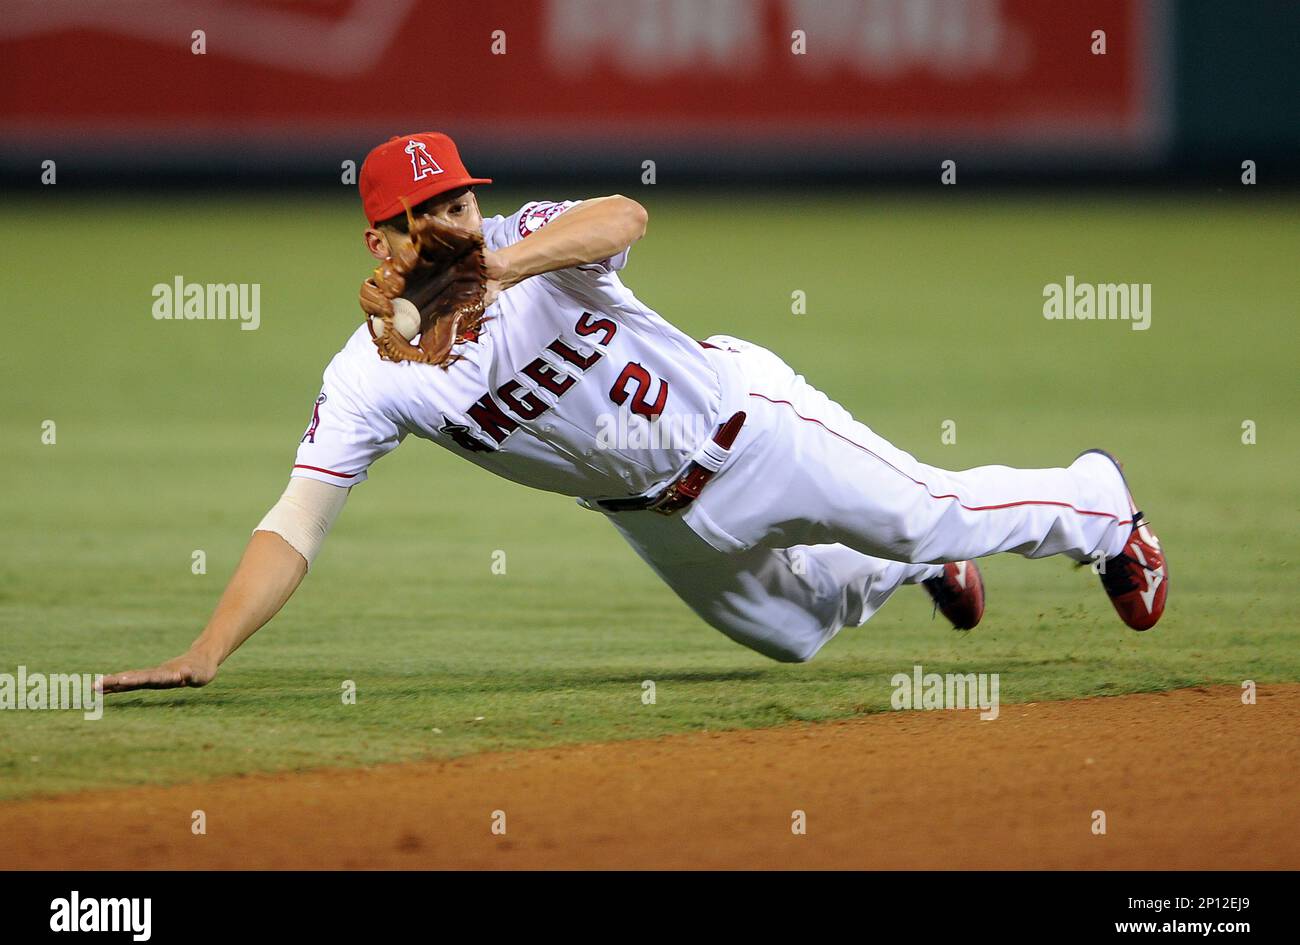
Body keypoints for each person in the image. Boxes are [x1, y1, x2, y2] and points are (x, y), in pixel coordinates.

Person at [99, 131, 1166, 695]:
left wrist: (501, 263)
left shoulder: (533, 241)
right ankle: (910, 569)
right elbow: (295, 521)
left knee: (927, 510)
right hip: (654, 520)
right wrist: (209, 648)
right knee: (795, 636)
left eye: (463, 197)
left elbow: (628, 214)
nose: (459, 218)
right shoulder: (370, 375)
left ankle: (1100, 506)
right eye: (431, 213)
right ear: (380, 242)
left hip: (750, 427)